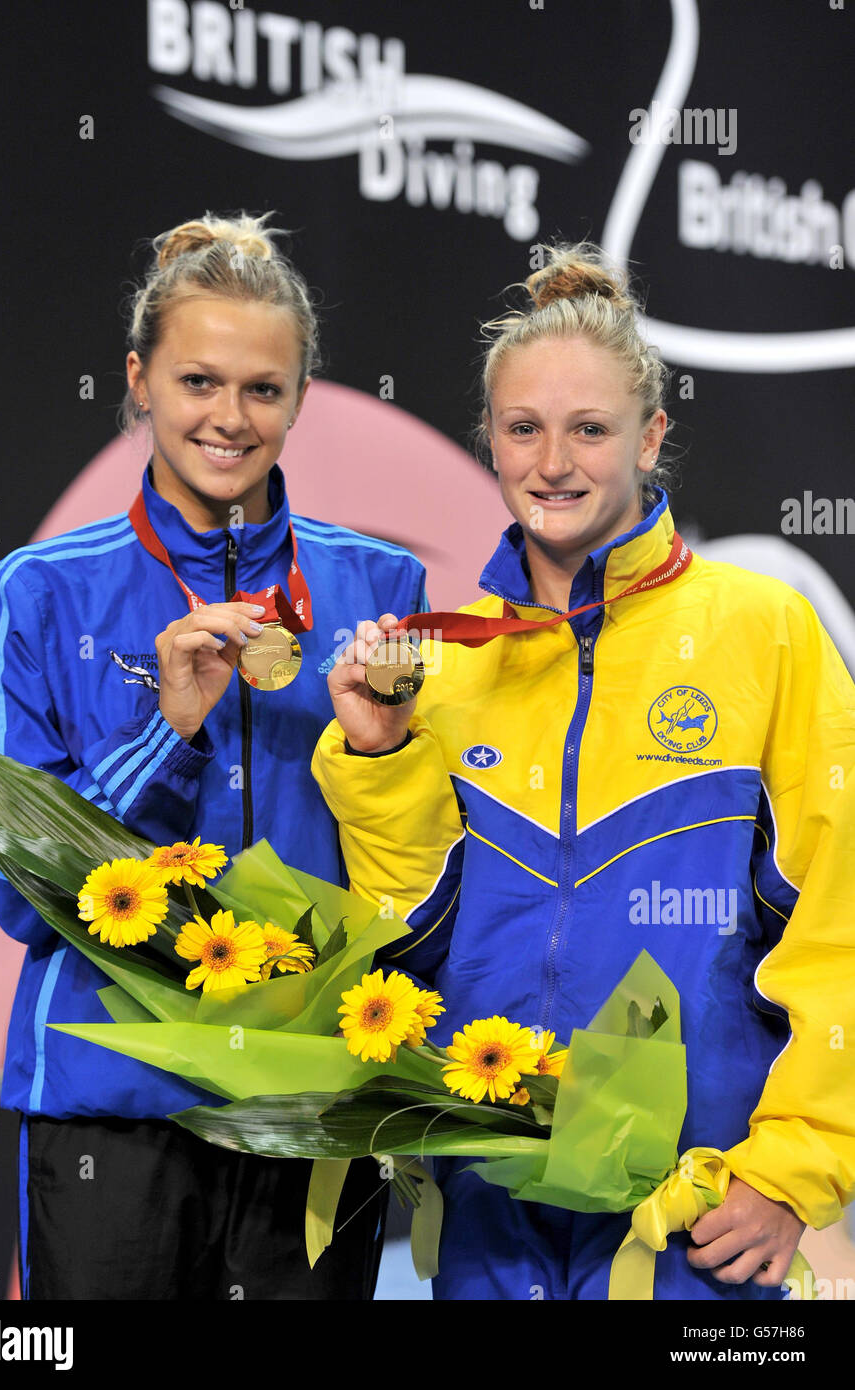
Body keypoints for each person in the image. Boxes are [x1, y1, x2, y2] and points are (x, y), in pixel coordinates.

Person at [311, 243, 855, 1300]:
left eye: (590, 428)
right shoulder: (447, 660)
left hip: (696, 1222)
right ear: (491, 439)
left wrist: (794, 1173)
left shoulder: (766, 631)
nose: (553, 462)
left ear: (651, 435)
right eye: (524, 428)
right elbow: (401, 935)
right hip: (492, 1212)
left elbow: (841, 923)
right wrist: (376, 755)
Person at [0, 212, 427, 1300]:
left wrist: (386, 751)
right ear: (139, 379)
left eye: (264, 388)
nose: (230, 416)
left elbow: (425, 863)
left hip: (313, 1110)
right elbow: (18, 891)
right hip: (112, 1115)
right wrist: (165, 729)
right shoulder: (37, 591)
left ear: (302, 395)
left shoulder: (380, 590)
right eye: (199, 380)